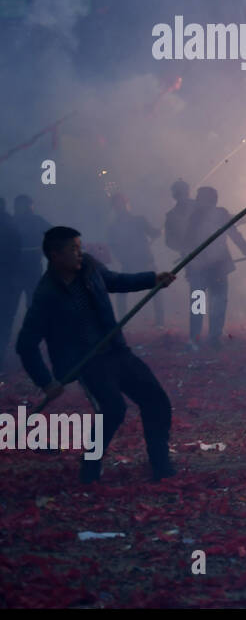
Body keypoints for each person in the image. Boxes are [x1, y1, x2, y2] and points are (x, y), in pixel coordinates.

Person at [15, 226, 178, 483]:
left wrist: (153, 279)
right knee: (113, 409)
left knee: (156, 400)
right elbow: (26, 344)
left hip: (115, 349)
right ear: (55, 256)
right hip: (86, 362)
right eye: (74, 250)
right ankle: (90, 466)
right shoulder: (47, 295)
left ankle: (160, 464)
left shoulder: (89, 267)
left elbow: (114, 280)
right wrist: (46, 382)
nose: (81, 254)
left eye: (80, 248)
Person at [185, 186, 246, 350]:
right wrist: (189, 266)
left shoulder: (221, 214)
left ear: (209, 199)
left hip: (218, 267)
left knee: (218, 304)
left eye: (200, 197)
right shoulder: (195, 217)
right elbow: (187, 243)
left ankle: (214, 337)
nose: (197, 200)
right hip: (199, 268)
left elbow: (235, 234)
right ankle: (195, 338)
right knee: (198, 305)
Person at [107, 193, 165, 328]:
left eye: (122, 204)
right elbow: (114, 248)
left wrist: (160, 230)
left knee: (156, 290)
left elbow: (154, 233)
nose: (121, 207)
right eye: (118, 205)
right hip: (132, 262)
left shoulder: (137, 221)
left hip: (143, 260)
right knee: (123, 292)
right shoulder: (117, 226)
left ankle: (159, 322)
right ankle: (123, 322)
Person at [12, 194, 50, 305]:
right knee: (13, 303)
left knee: (32, 302)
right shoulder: (12, 222)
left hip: (28, 268)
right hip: (18, 269)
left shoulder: (36, 221)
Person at [0, 198, 21, 364]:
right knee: (5, 318)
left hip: (7, 278)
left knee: (5, 317)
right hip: (9, 278)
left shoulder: (11, 225)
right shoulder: (12, 224)